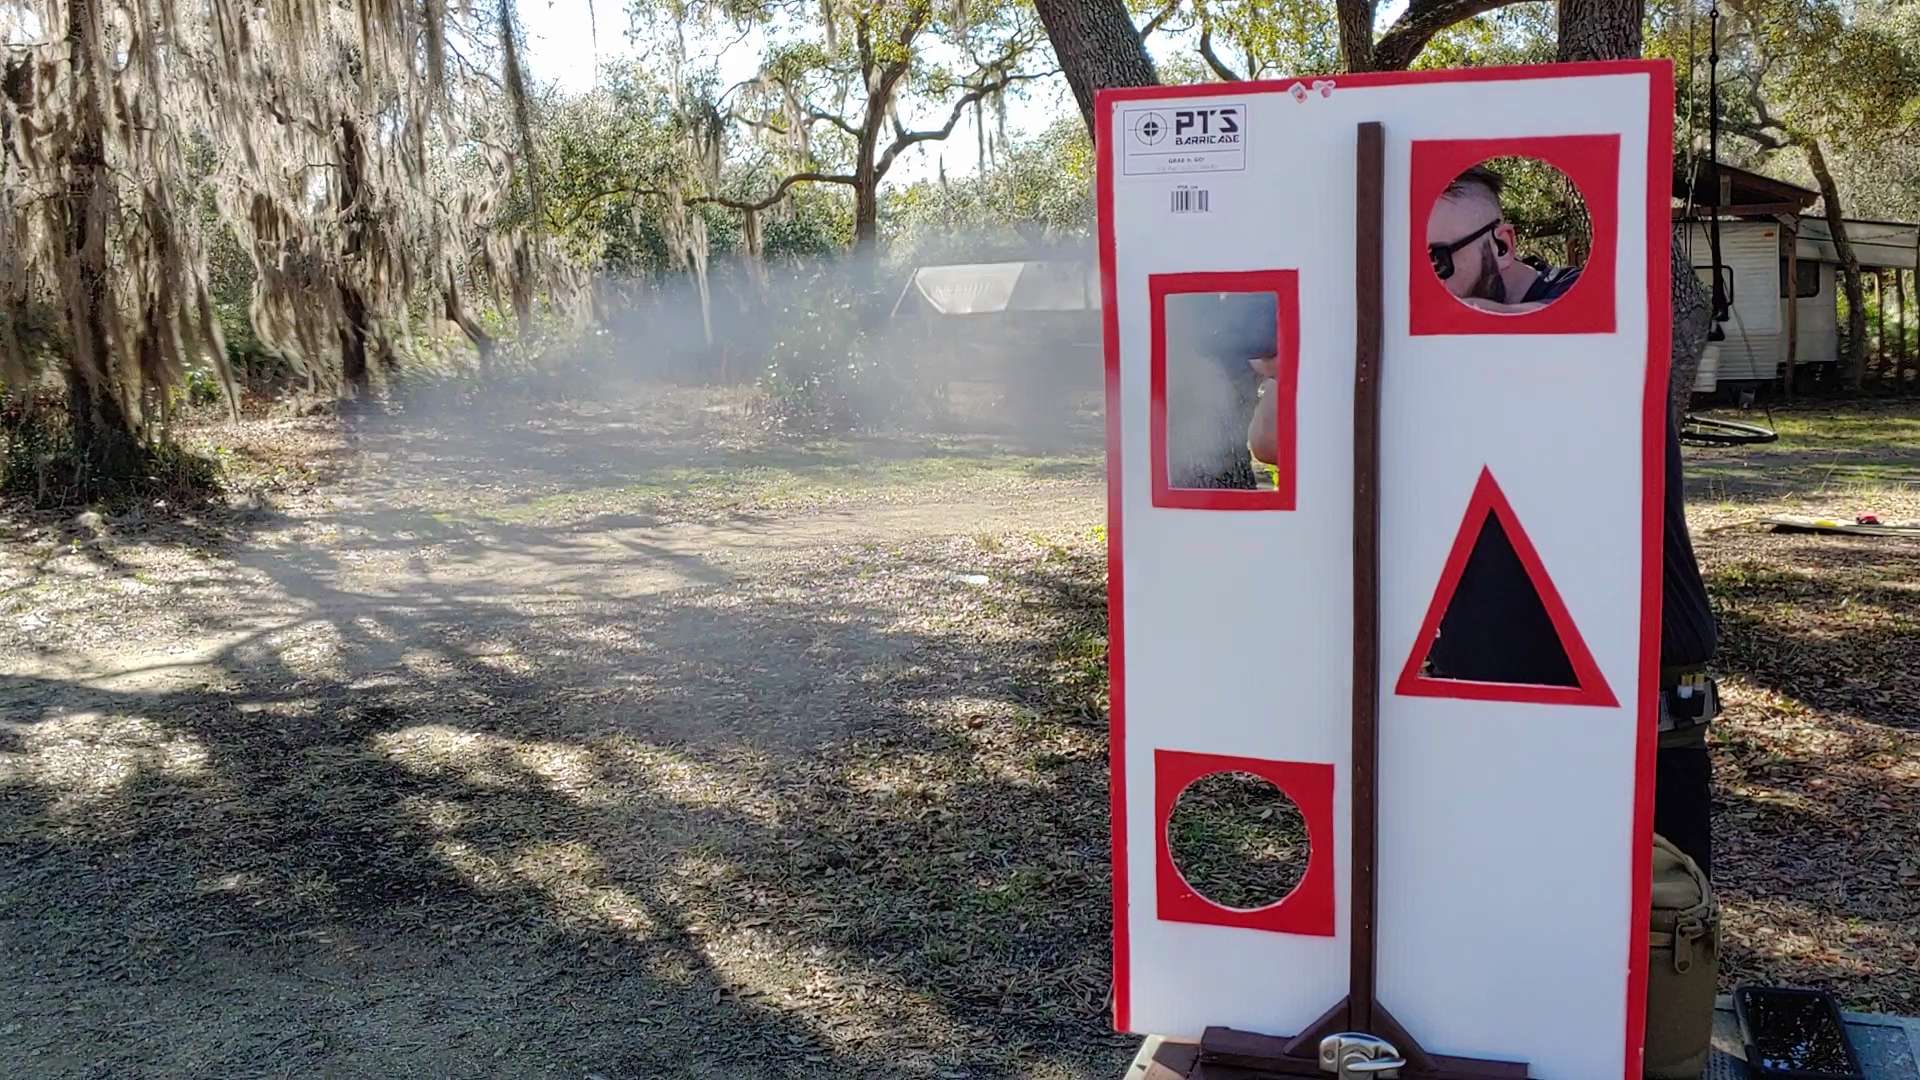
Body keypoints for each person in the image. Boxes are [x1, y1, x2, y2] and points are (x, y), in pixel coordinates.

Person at [1245, 164, 1721, 876]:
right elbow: (1272, 442)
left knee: (1652, 934)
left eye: (1437, 261)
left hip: (1635, 717)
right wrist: (1293, 360)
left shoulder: (1581, 310)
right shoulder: (1422, 353)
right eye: (1405, 268)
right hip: (1479, 703)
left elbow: (1536, 354)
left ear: (1503, 241)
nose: (1424, 287)